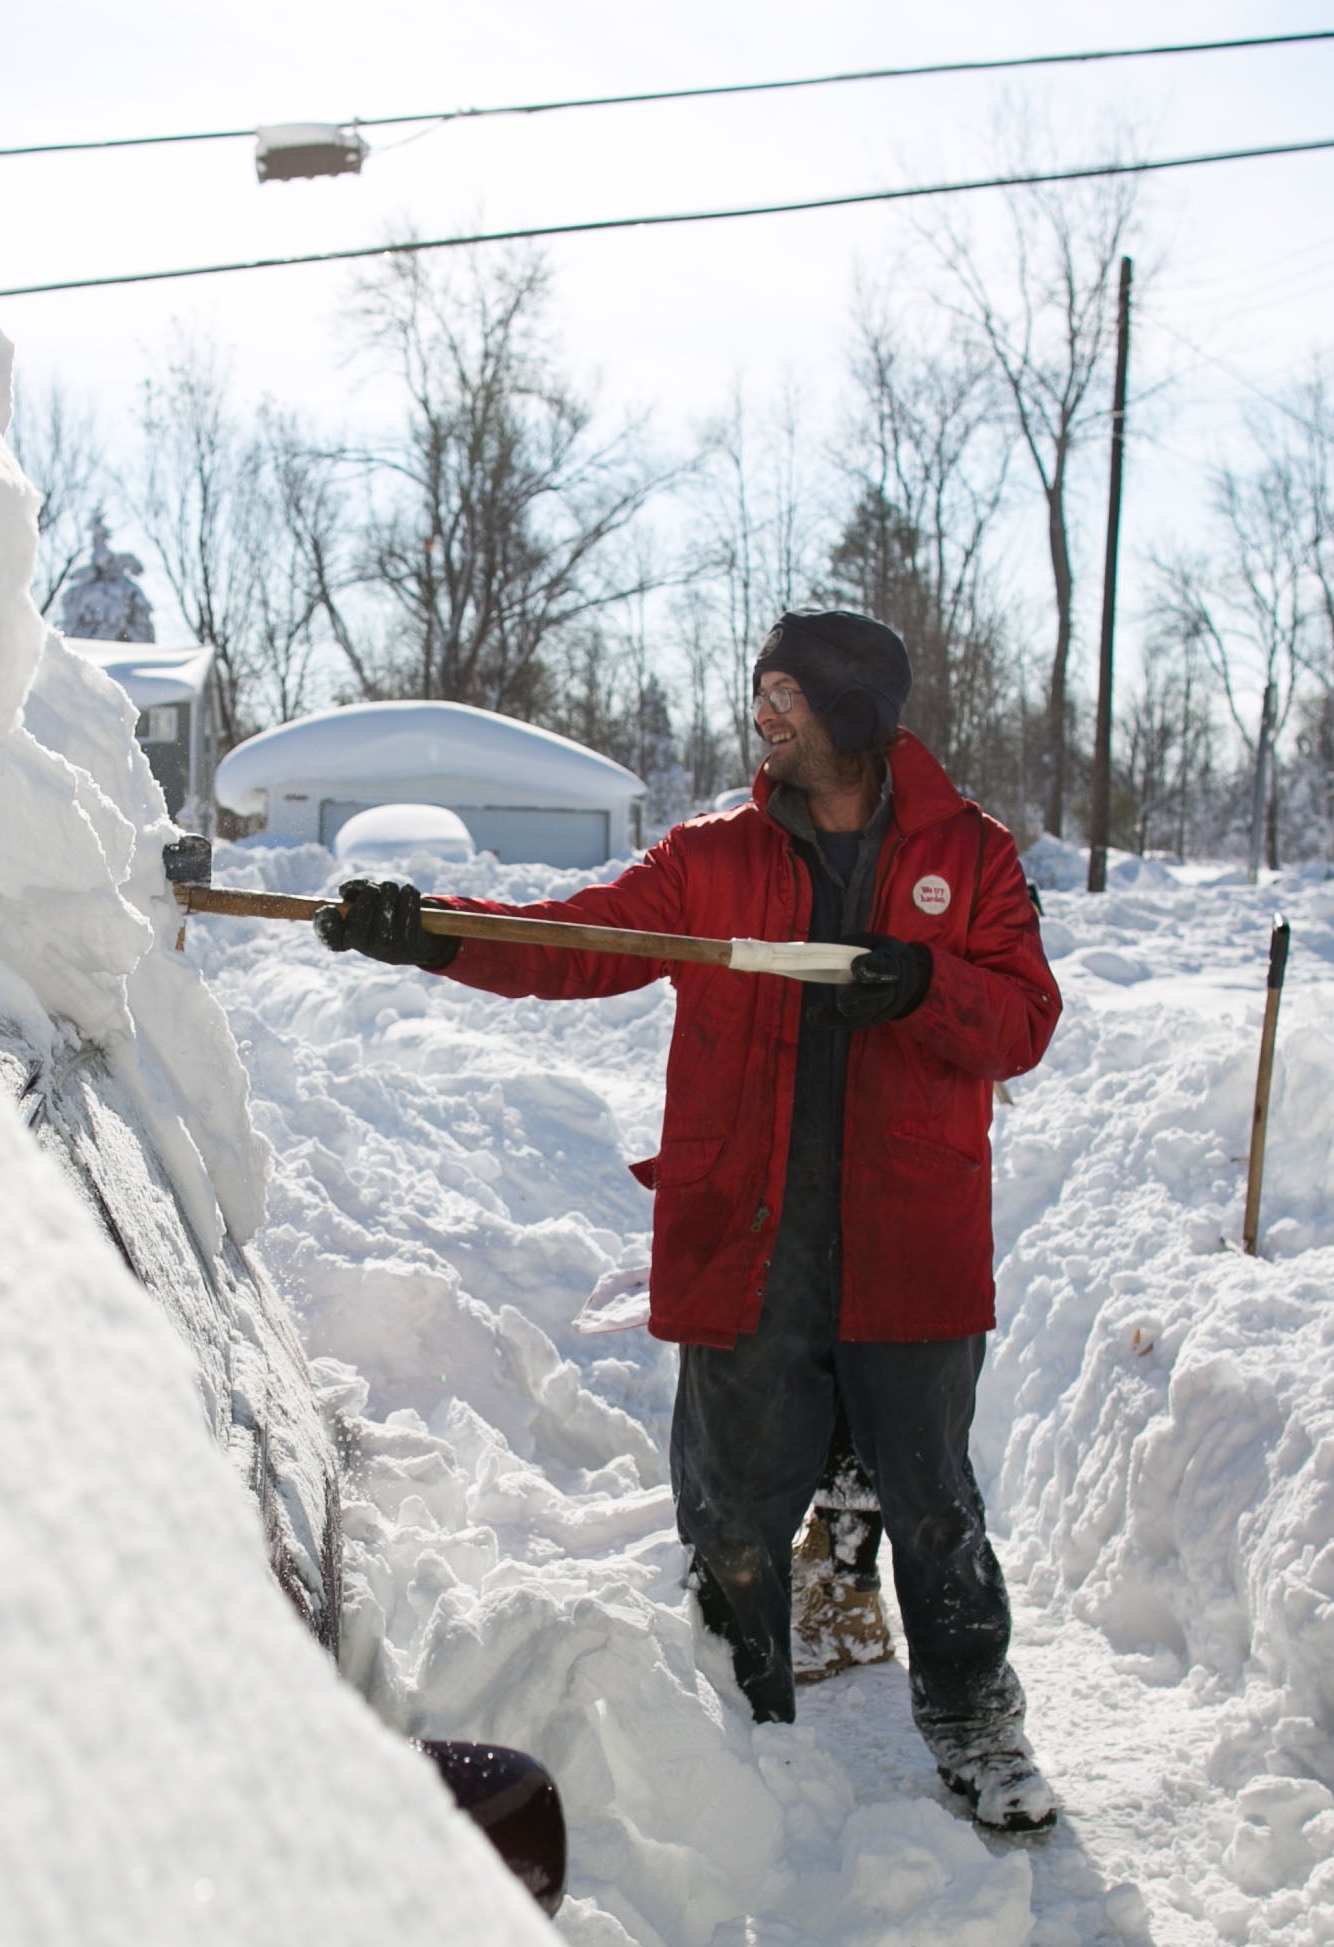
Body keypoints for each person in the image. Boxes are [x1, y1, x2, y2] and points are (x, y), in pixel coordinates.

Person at [314, 611, 1065, 1830]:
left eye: (786, 696)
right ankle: (739, 1723)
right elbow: (582, 942)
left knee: (935, 1505)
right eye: (759, 692)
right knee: (733, 1504)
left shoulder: (964, 853)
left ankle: (977, 1723)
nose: (762, 716)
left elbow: (1026, 1018)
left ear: (855, 714)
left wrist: (926, 988)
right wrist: (434, 935)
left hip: (909, 1245)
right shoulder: (716, 855)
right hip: (751, 1235)